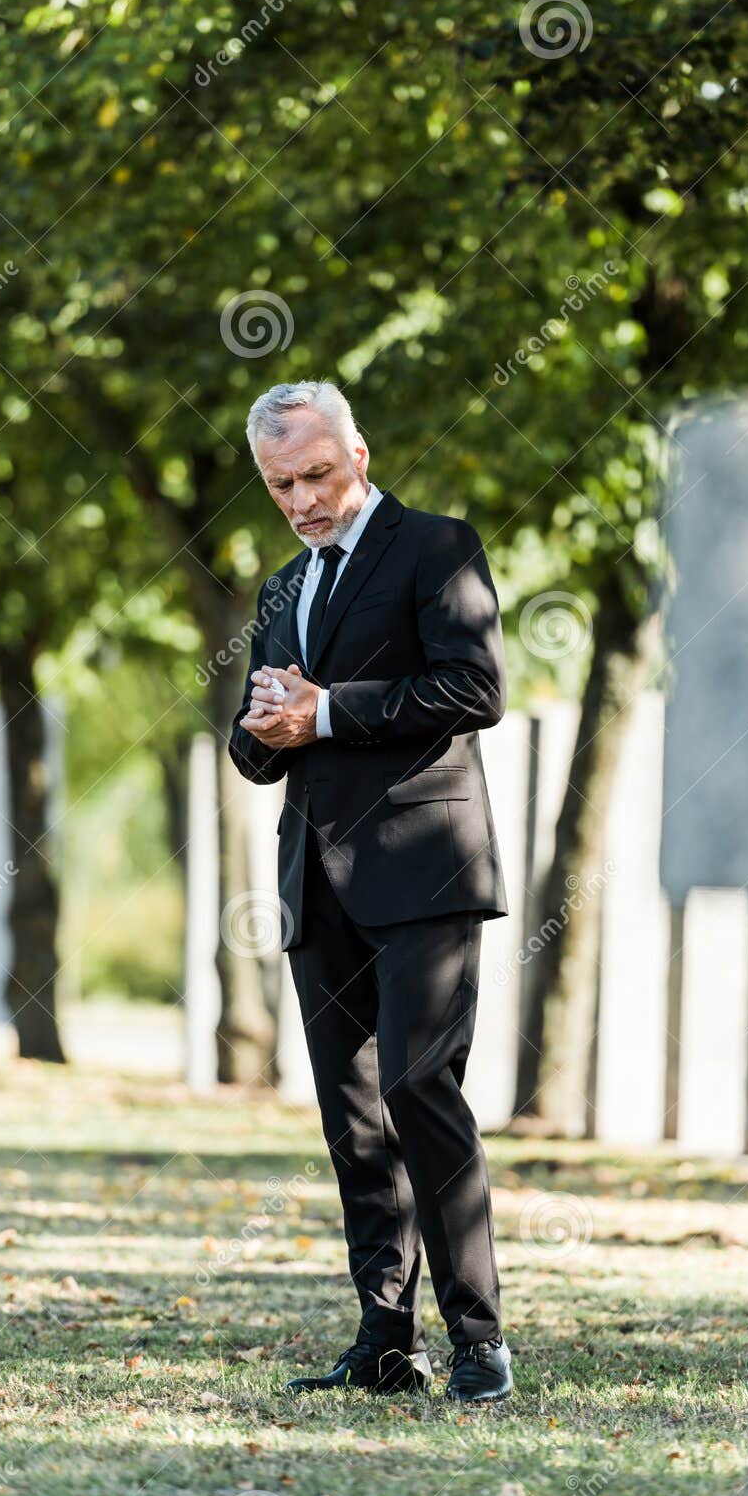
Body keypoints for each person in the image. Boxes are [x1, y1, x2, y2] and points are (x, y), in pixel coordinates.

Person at [230, 380, 512, 1404]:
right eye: (280, 486)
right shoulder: (281, 589)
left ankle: (479, 1342)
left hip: (424, 867)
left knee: (417, 1092)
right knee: (352, 1121)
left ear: (358, 451)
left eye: (316, 474)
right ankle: (387, 1341)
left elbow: (475, 687)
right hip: (317, 880)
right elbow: (254, 748)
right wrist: (266, 727)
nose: (301, 500)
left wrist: (326, 713)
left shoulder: (437, 546)